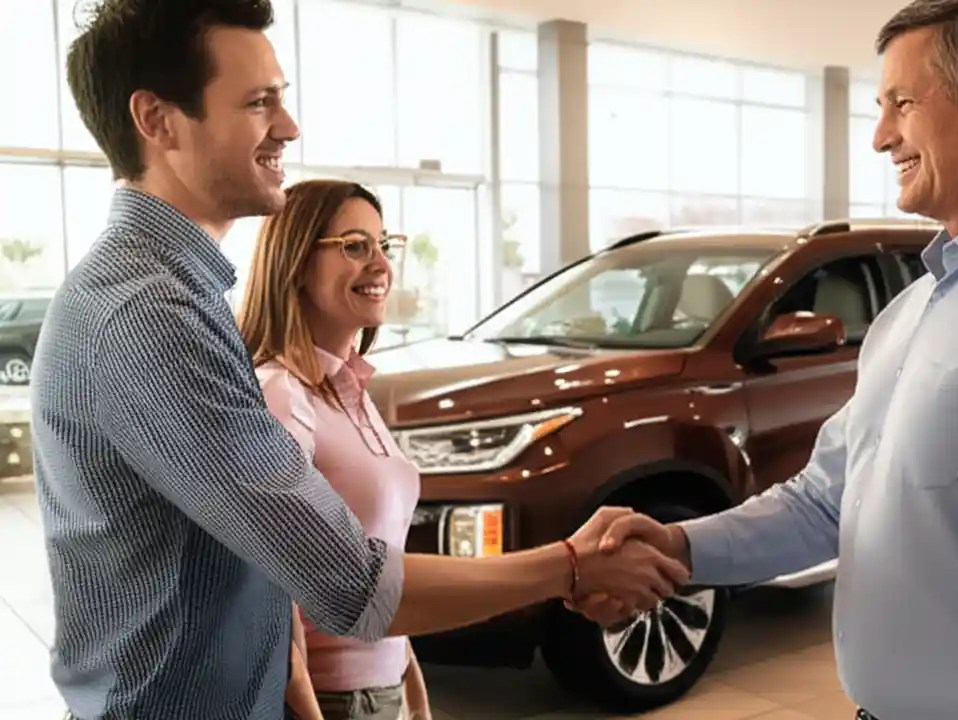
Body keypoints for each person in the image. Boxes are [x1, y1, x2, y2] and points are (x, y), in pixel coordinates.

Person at [29, 2, 686, 718]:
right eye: (259, 103)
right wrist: (569, 566)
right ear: (156, 120)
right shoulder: (150, 316)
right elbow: (352, 585)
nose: (289, 126)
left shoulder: (168, 294)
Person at [577, 1, 958, 718]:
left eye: (902, 104)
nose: (880, 137)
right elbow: (824, 500)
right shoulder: (913, 312)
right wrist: (678, 547)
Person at [237, 179, 429, 719]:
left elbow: (381, 555)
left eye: (384, 245)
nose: (381, 264)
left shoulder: (351, 392)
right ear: (296, 263)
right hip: (334, 700)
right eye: (354, 246)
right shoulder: (279, 393)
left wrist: (411, 682)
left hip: (382, 690)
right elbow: (270, 590)